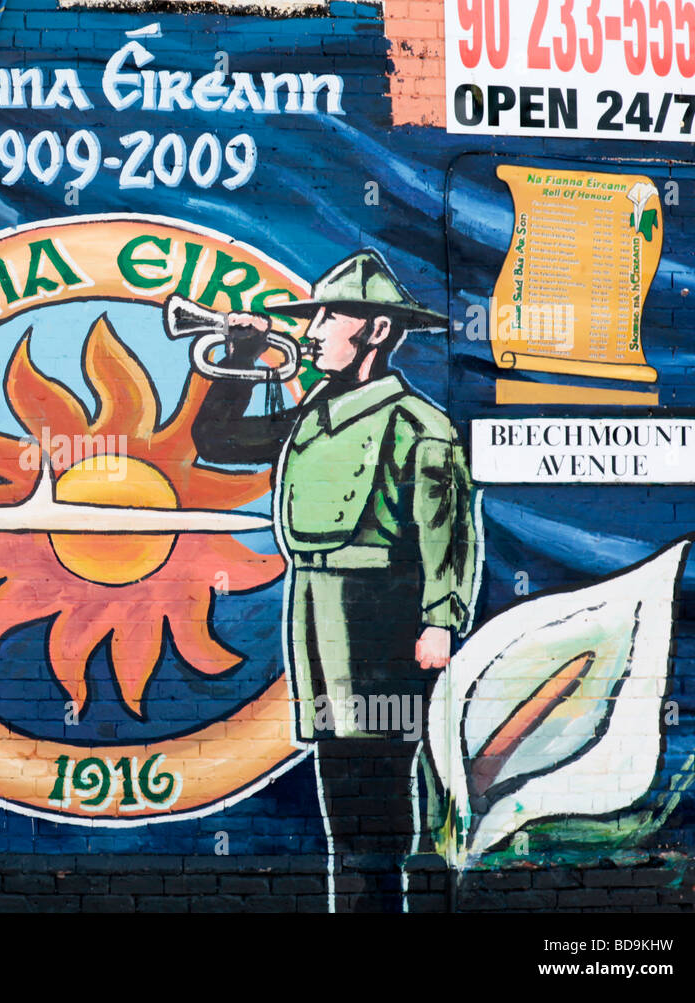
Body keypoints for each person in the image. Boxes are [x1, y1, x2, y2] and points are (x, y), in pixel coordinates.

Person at [191, 249, 479, 912]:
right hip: (315, 612)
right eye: (313, 314)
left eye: (331, 315)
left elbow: (447, 529)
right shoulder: (310, 415)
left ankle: (378, 905)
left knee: (376, 781)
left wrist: (440, 619)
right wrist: (237, 361)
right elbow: (219, 441)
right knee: (340, 782)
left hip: (382, 615)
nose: (314, 328)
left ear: (376, 331)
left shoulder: (418, 426)